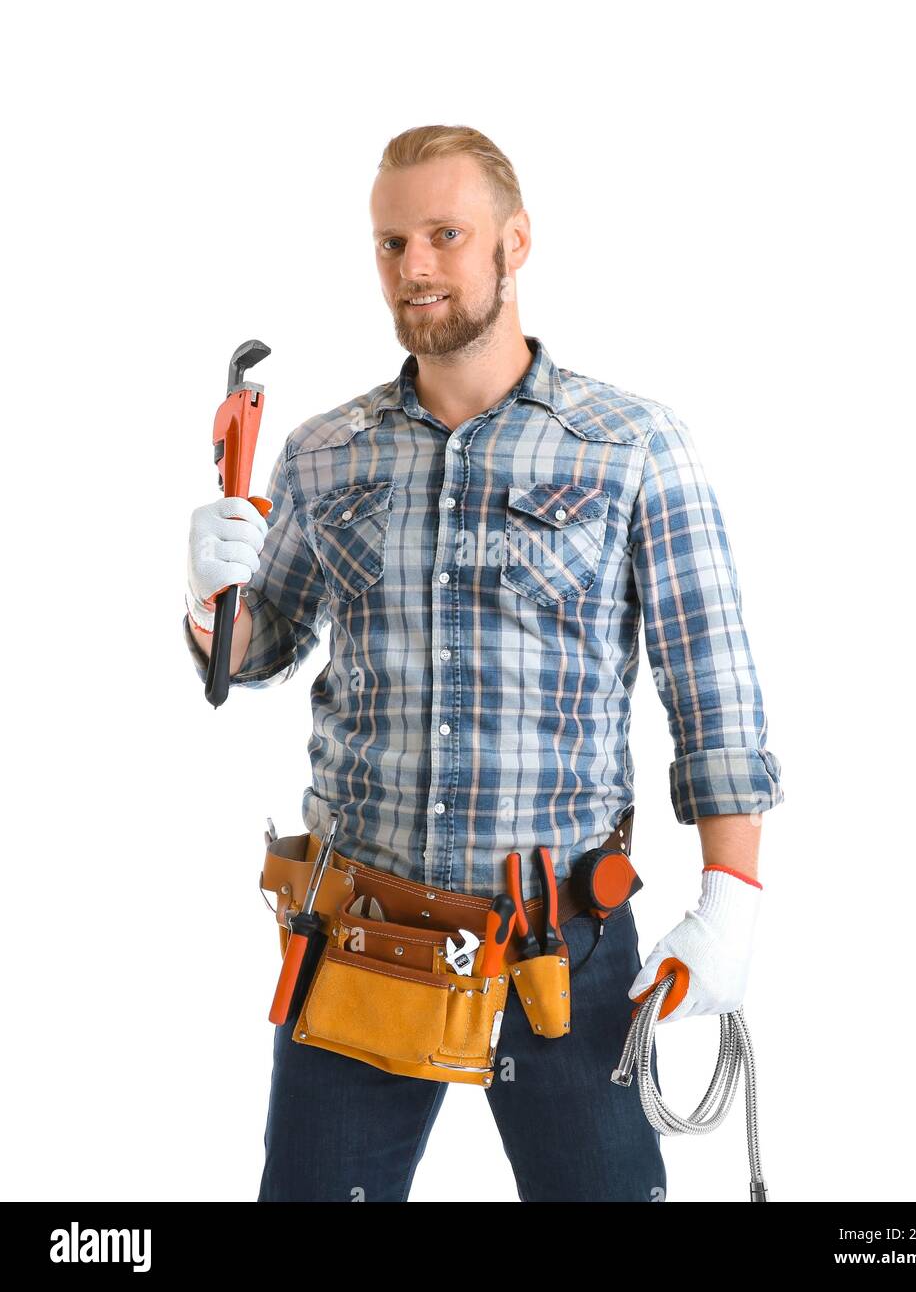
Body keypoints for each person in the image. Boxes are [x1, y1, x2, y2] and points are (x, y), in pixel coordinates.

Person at [183, 125, 784, 1202]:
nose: (413, 266)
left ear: (514, 243)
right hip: (357, 933)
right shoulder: (327, 449)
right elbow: (257, 649)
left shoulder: (633, 444)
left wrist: (730, 894)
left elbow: (713, 688)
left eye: (444, 235)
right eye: (390, 242)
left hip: (560, 947)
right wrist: (205, 599)